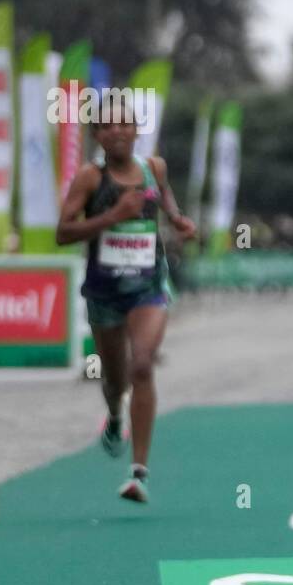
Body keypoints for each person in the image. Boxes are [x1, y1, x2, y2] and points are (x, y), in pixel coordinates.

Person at [57, 101, 196, 502]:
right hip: (104, 292)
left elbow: (166, 202)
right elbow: (63, 232)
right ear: (97, 136)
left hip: (148, 286)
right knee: (115, 380)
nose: (118, 130)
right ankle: (116, 415)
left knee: (142, 365)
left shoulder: (155, 168)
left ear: (136, 130)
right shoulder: (89, 178)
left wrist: (179, 220)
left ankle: (139, 473)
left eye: (125, 123)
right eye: (108, 125)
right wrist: (113, 216)